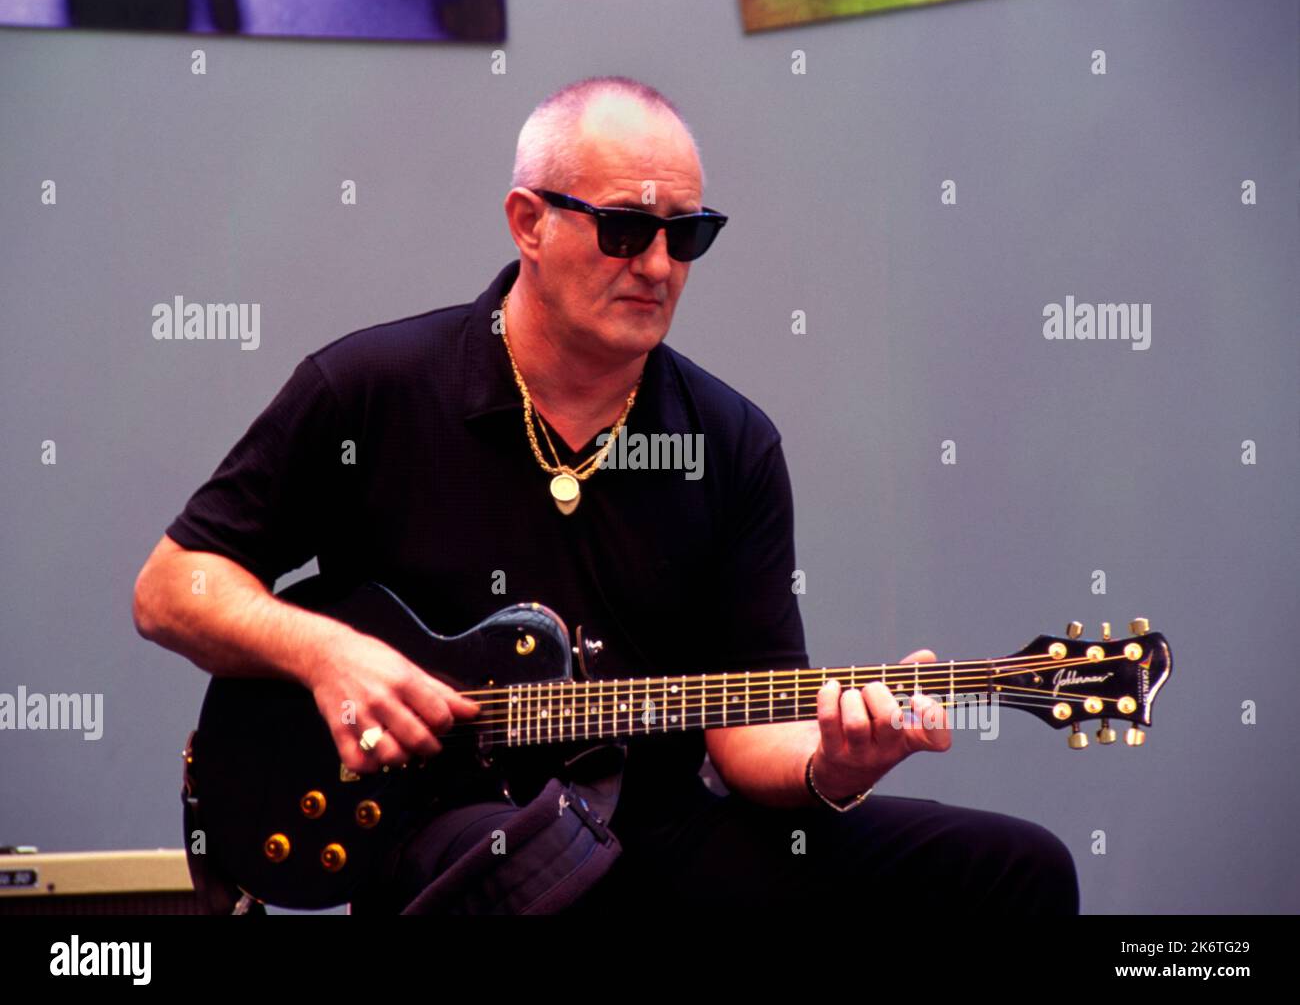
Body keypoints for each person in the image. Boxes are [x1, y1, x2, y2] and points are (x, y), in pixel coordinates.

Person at [132, 75, 1079, 914]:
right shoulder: (371, 388)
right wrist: (329, 653)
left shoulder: (731, 443)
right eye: (626, 228)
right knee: (546, 871)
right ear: (528, 221)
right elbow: (172, 590)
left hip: (652, 834)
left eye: (687, 236)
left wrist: (835, 765)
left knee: (1015, 868)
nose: (659, 265)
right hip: (433, 834)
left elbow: (749, 742)